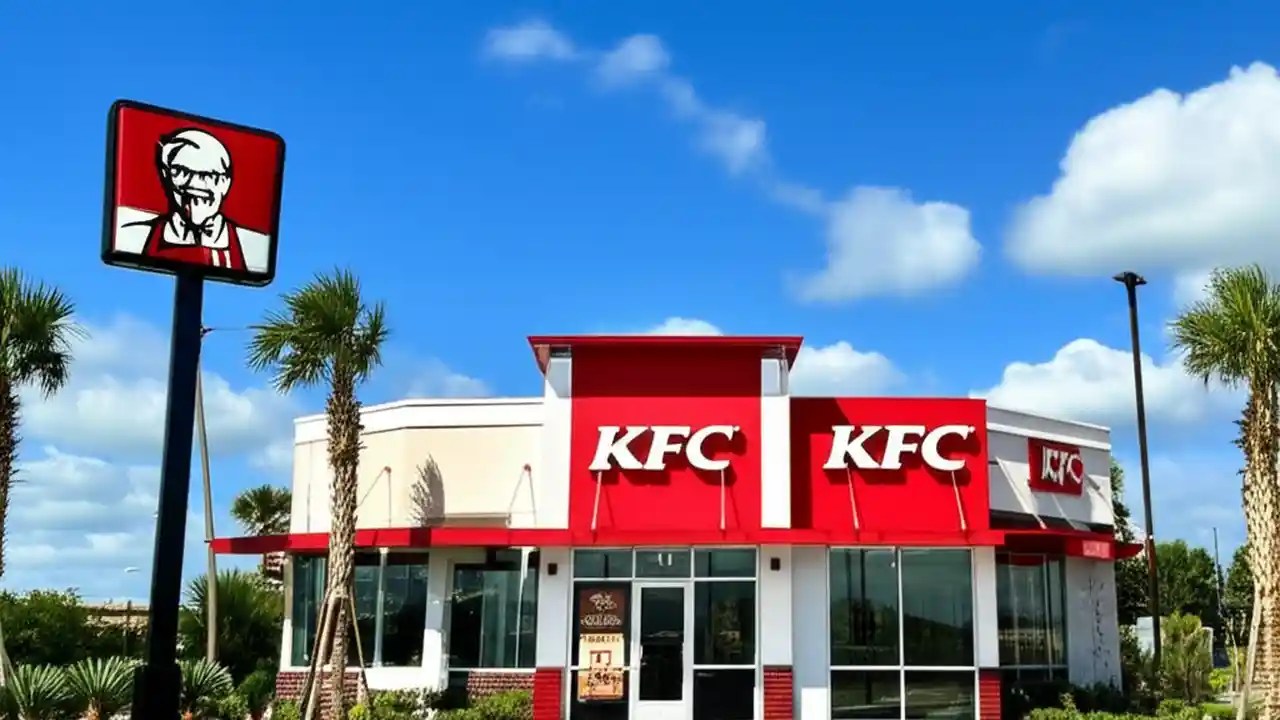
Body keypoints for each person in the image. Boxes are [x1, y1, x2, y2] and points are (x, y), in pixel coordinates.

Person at [123, 128, 248, 271]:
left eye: (209, 175)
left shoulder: (249, 245)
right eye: (183, 172)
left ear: (225, 183)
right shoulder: (138, 236)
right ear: (166, 175)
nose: (195, 184)